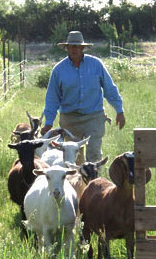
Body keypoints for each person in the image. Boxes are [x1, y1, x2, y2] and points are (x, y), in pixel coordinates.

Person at [38, 31, 125, 165]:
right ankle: (77, 184)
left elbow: (110, 88)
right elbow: (52, 98)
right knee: (73, 158)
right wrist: (49, 122)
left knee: (94, 154)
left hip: (94, 117)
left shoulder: (96, 65)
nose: (74, 49)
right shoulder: (59, 70)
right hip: (70, 119)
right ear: (66, 48)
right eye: (71, 46)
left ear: (83, 48)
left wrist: (119, 110)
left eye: (77, 46)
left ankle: (93, 184)